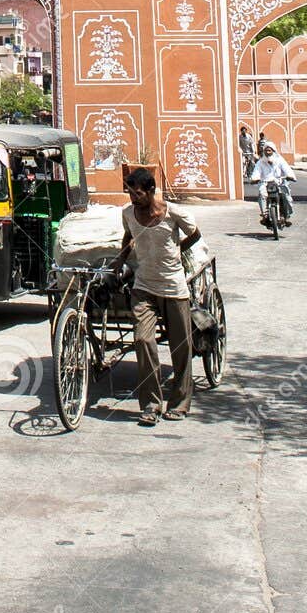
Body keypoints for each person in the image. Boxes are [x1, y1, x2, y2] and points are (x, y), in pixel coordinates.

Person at [112, 167, 202, 427]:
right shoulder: (128, 214)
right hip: (143, 287)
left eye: (138, 193)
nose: (133, 198)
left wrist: (177, 251)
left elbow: (195, 234)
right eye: (130, 193)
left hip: (173, 288)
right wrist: (120, 258)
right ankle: (150, 404)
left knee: (181, 347)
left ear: (151, 191)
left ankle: (179, 402)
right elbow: (129, 238)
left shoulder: (173, 213)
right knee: (142, 339)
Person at [250, 142, 295, 226]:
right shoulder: (260, 162)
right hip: (265, 183)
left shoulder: (280, 160)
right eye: (266, 151)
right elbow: (256, 172)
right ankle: (265, 214)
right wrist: (254, 179)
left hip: (279, 182)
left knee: (286, 197)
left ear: (273, 151)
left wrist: (290, 176)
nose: (268, 153)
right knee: (262, 194)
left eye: (269, 151)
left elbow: (287, 169)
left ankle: (286, 216)